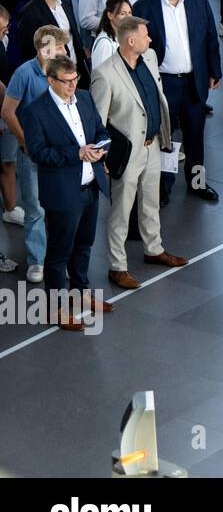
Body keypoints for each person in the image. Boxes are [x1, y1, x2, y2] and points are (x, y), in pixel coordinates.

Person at [91, 14, 187, 292]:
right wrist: (105, 157)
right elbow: (98, 121)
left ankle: (153, 248)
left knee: (150, 202)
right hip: (127, 152)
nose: (151, 39)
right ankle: (117, 266)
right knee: (121, 211)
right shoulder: (105, 74)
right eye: (146, 35)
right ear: (131, 40)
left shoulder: (150, 58)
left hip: (153, 144)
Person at [19, 53, 110, 331]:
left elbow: (100, 130)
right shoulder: (35, 111)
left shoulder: (84, 98)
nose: (72, 86)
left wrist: (101, 150)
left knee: (84, 244)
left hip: (89, 186)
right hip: (61, 192)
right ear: (51, 80)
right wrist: (77, 153)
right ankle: (56, 308)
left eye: (75, 79)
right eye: (66, 81)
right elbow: (38, 153)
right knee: (59, 253)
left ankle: (81, 292)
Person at [134, 0, 222, 205]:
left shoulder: (199, 0)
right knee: (165, 139)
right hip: (164, 84)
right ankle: (163, 188)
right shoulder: (144, 8)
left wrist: (215, 70)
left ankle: (197, 182)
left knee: (195, 138)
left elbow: (210, 38)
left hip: (194, 81)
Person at [0, 24, 71, 284]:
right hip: (32, 154)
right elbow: (8, 111)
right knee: (35, 208)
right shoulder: (24, 74)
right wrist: (25, 142)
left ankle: (57, 259)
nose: (64, 50)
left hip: (60, 153)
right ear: (43, 49)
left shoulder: (63, 71)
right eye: (59, 46)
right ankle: (36, 260)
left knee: (60, 207)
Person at [89, 0, 132, 69]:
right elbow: (100, 75)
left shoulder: (121, 37)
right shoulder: (105, 44)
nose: (128, 17)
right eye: (123, 14)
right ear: (110, 15)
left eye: (129, 13)